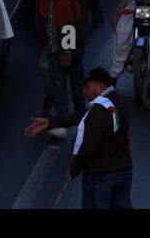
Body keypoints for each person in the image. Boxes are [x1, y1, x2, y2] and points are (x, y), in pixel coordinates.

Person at [26, 68, 132, 209]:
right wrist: (50, 122)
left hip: (100, 177)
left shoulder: (98, 111)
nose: (84, 92)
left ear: (100, 87)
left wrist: (74, 170)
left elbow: (88, 147)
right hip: (123, 171)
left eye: (87, 87)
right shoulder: (116, 101)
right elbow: (82, 114)